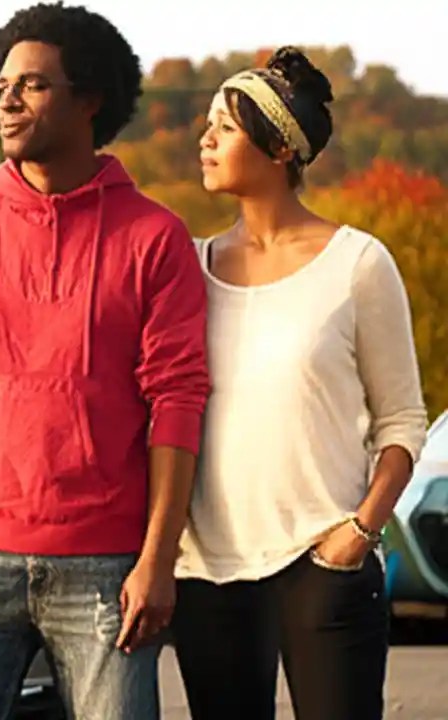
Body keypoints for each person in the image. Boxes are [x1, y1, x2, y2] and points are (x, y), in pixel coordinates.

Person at [0, 3, 211, 718]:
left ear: (90, 98)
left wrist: (158, 560)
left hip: (107, 569)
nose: (8, 99)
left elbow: (179, 401)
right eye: (2, 85)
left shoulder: (156, 238)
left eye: (33, 85)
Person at [171, 47, 428, 720]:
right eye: (207, 124)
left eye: (223, 127)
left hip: (323, 564)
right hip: (206, 571)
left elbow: (403, 421)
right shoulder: (185, 269)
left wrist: (359, 534)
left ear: (279, 146)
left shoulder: (359, 264)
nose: (205, 140)